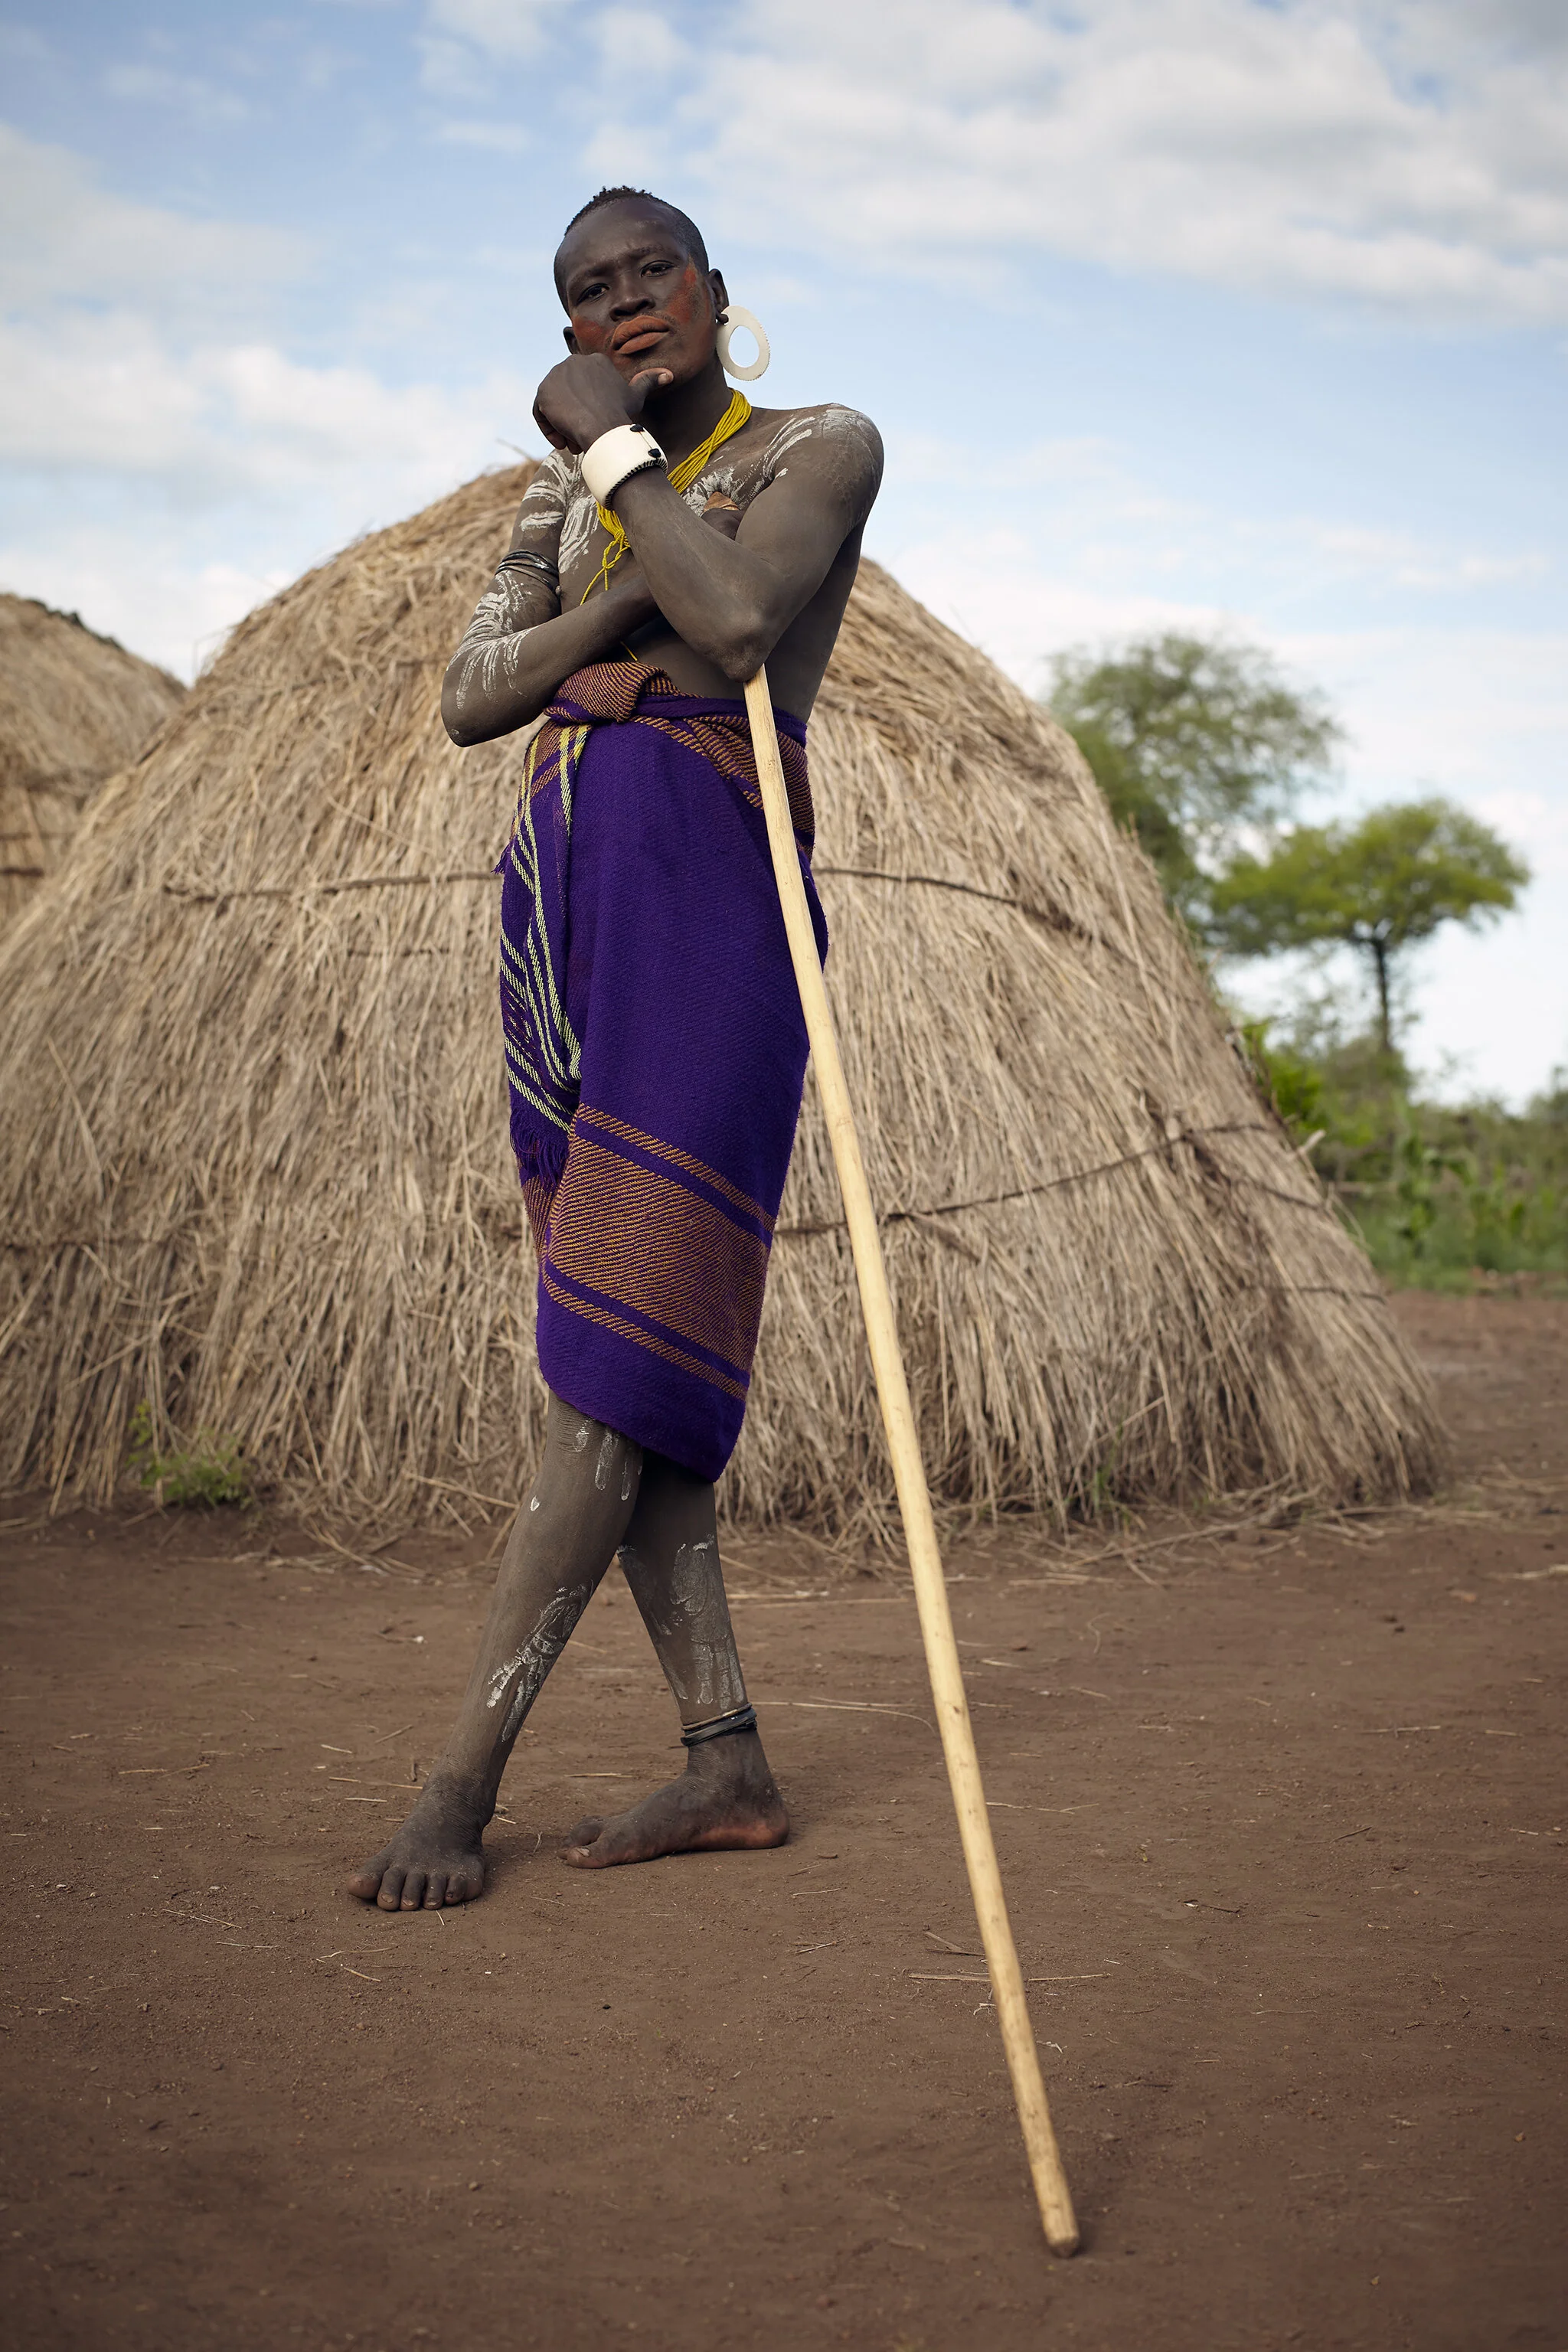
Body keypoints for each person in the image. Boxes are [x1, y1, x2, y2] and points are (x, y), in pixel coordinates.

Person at [349, 186, 882, 1910]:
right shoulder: (553, 502)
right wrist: (599, 632)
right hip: (561, 910)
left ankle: (454, 1783)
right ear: (570, 329)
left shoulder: (818, 442)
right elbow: (469, 694)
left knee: (600, 1361)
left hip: (710, 908)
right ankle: (722, 1756)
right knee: (611, 1332)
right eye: (592, 292)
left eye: (656, 272)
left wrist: (615, 478)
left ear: (716, 289)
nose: (629, 302)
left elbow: (731, 626)